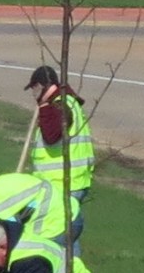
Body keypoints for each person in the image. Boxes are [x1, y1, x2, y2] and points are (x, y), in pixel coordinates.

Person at [24, 65, 94, 233]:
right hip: (73, 180)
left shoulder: (57, 106)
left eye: (33, 88)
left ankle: (68, 260)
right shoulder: (69, 101)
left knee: (61, 234)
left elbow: (51, 136)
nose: (33, 94)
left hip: (63, 182)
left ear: (40, 86)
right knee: (66, 232)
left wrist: (44, 107)